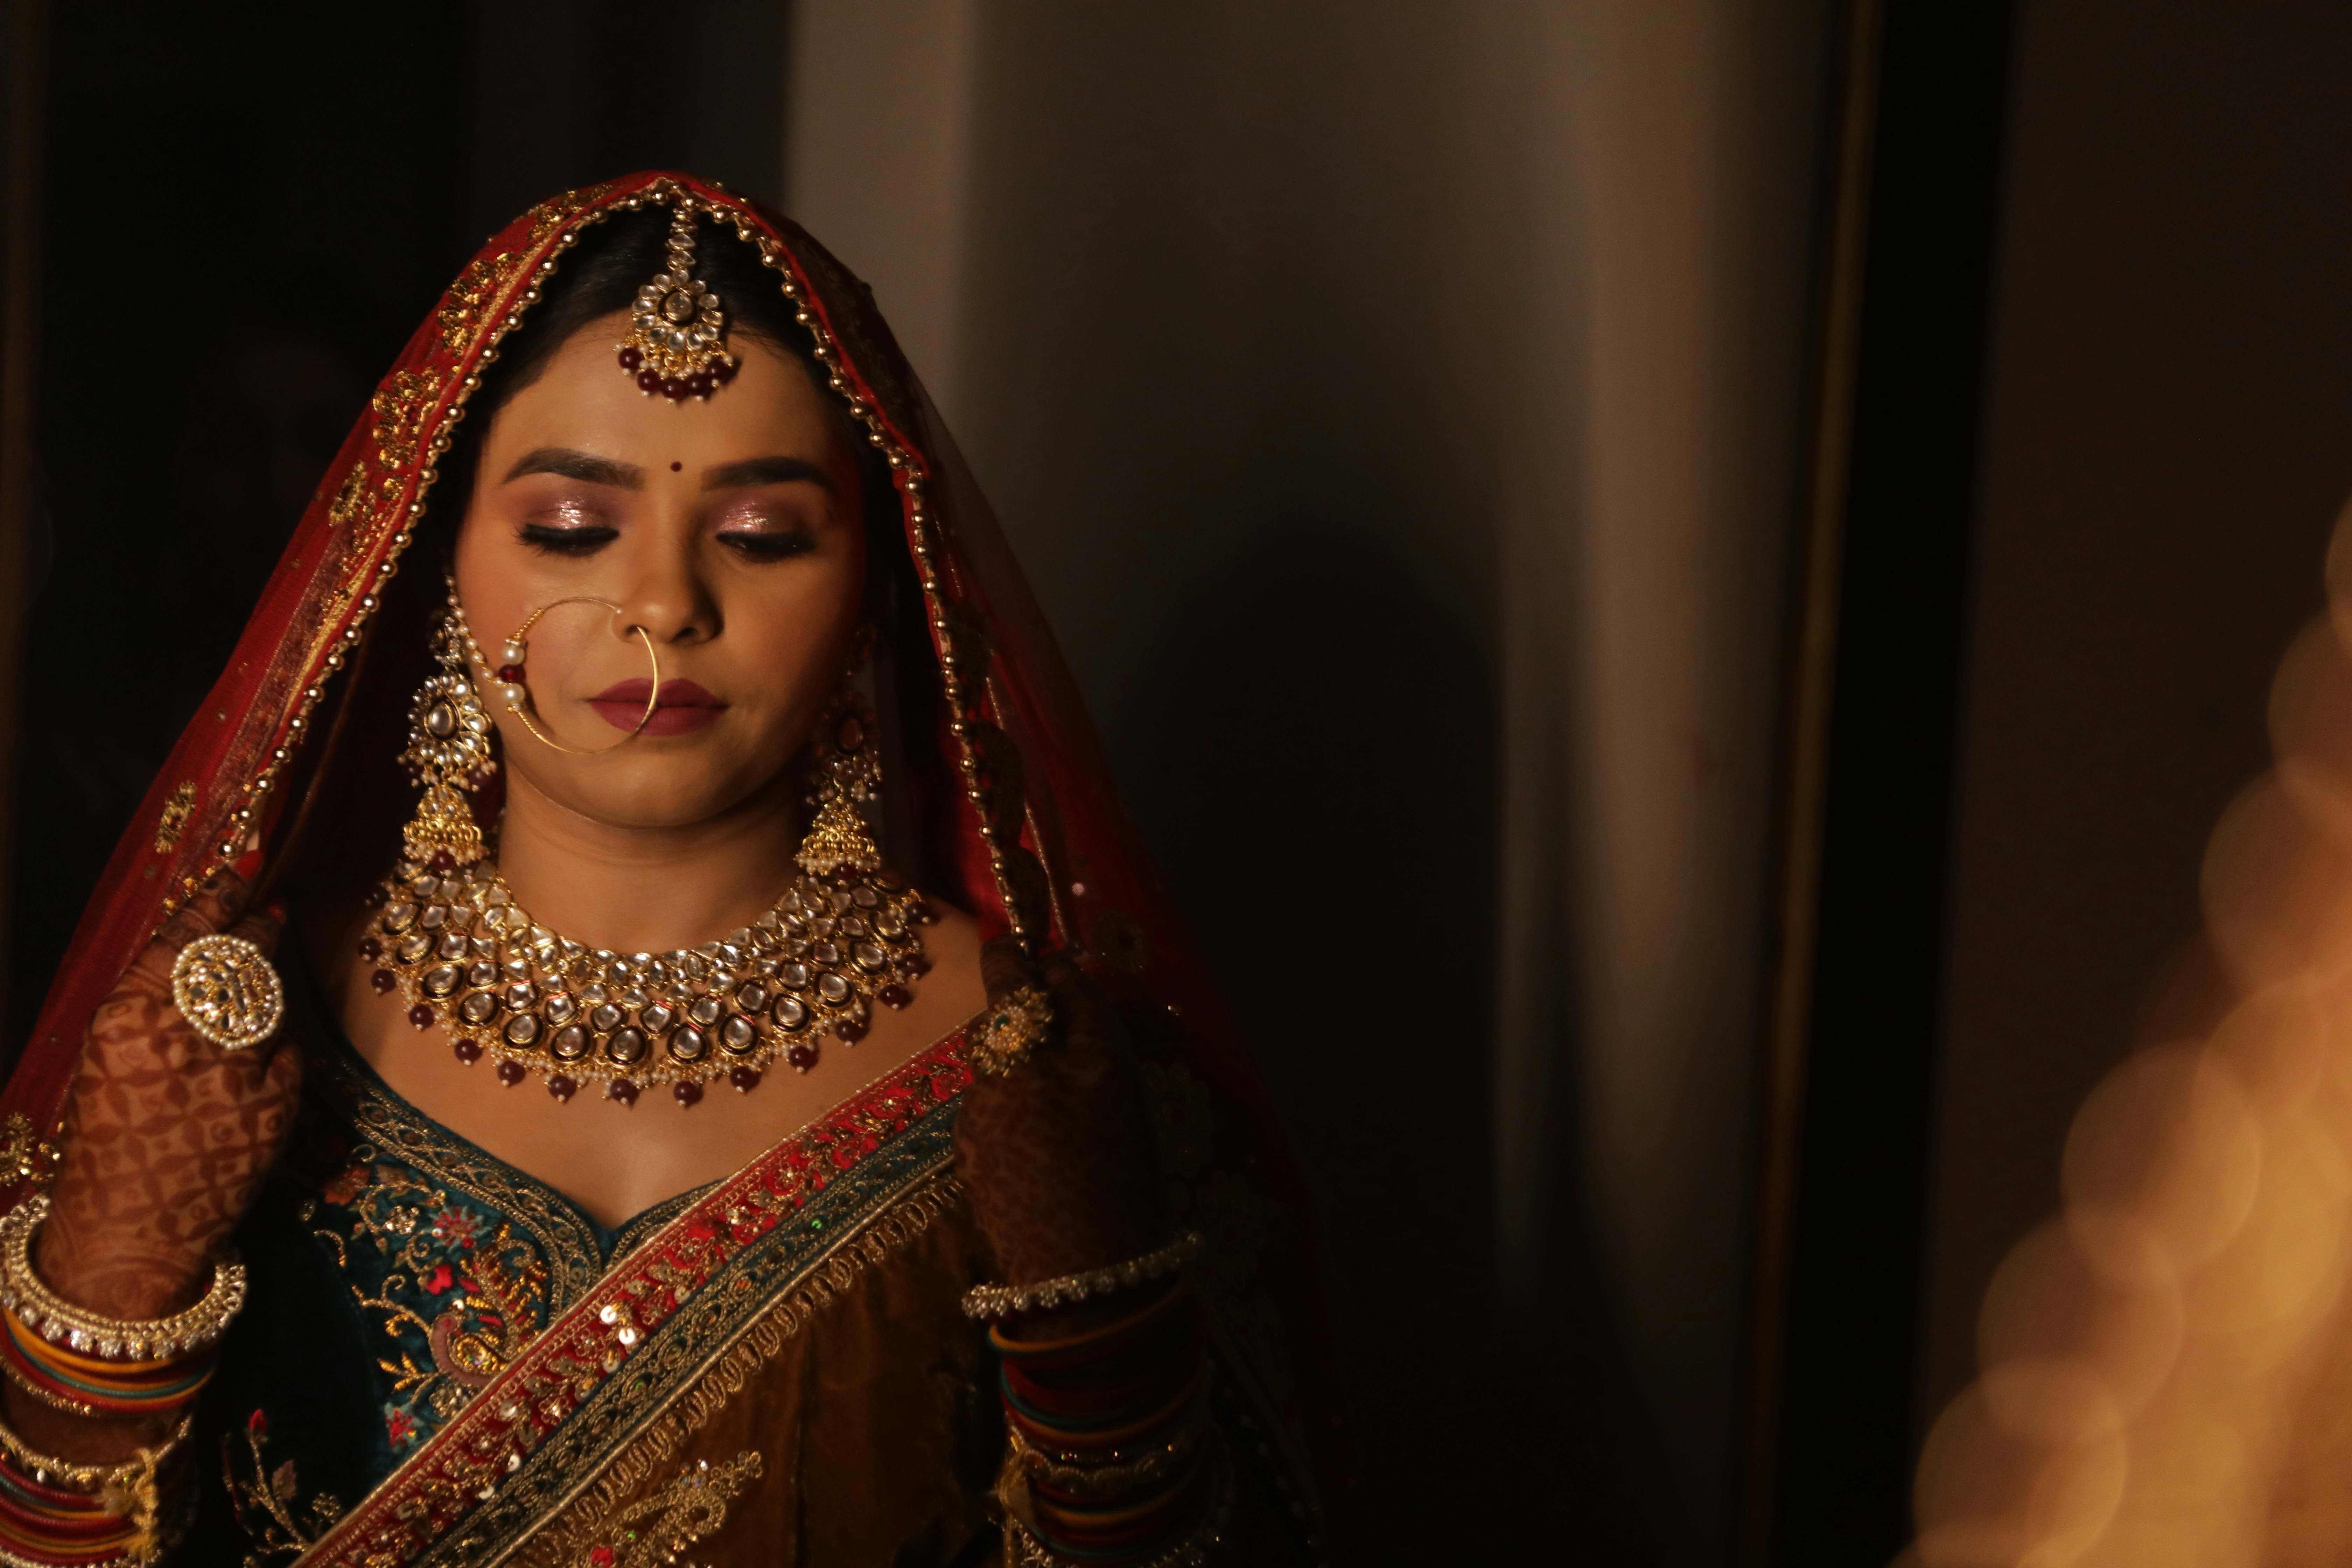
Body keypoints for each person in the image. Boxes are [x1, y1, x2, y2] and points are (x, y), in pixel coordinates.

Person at [0, 173, 1348, 1565]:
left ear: (875, 590)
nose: (662, 604)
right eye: (571, 529)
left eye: (762, 537)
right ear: (435, 564)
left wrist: (1096, 1334)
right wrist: (107, 1290)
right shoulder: (214, 1064)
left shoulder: (1036, 1076)